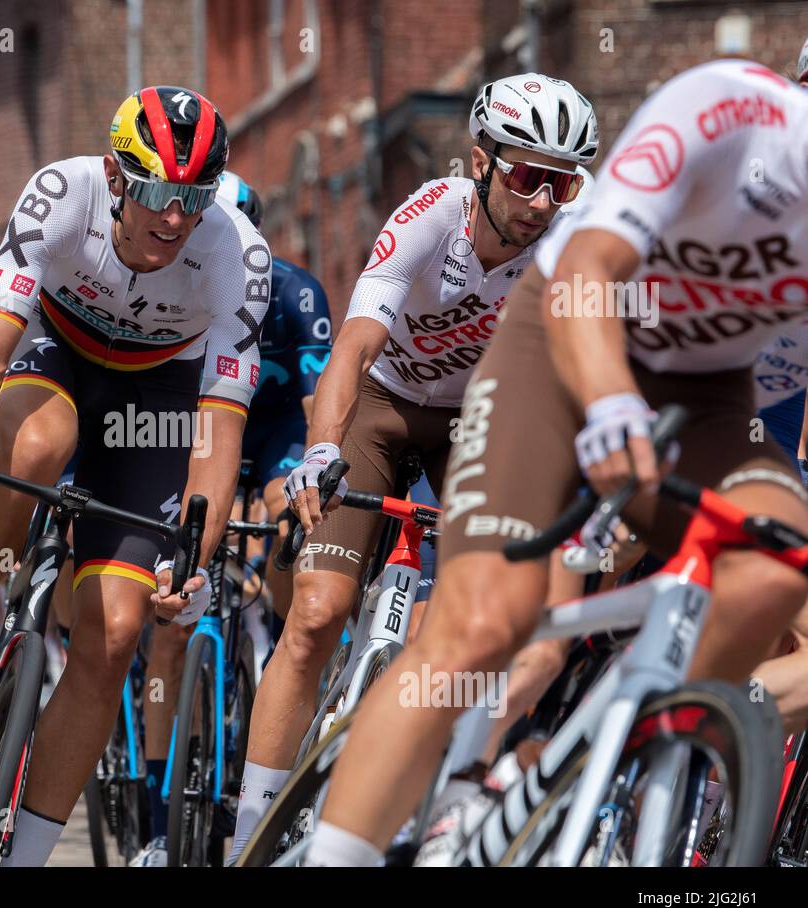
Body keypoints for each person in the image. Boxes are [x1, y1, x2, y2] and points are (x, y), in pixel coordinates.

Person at [307, 58, 808, 867]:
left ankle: (613, 748)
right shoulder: (726, 108)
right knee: (482, 624)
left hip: (710, 393)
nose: (542, 194)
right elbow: (585, 275)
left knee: (776, 571)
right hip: (563, 341)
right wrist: (611, 408)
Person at [0, 85, 270, 868]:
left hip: (155, 394)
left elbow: (220, 429)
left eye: (195, 196)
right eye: (156, 192)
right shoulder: (61, 194)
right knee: (38, 445)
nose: (176, 217)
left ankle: (26, 856)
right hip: (55, 349)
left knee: (118, 632)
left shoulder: (236, 253)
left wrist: (191, 561)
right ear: (116, 179)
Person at [228, 73, 600, 862]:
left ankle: (420, 789)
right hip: (381, 402)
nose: (543, 200)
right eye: (529, 175)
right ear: (481, 163)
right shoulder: (430, 216)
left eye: (562, 181)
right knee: (319, 615)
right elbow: (353, 348)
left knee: (474, 610)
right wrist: (323, 449)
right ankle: (249, 830)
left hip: (475, 416)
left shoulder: (576, 230)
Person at [132, 170, 333, 866]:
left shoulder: (297, 292)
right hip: (202, 427)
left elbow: (315, 416)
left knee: (290, 519)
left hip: (274, 432)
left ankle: (281, 643)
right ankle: (160, 825)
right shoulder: (176, 289)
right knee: (168, 630)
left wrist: (297, 491)